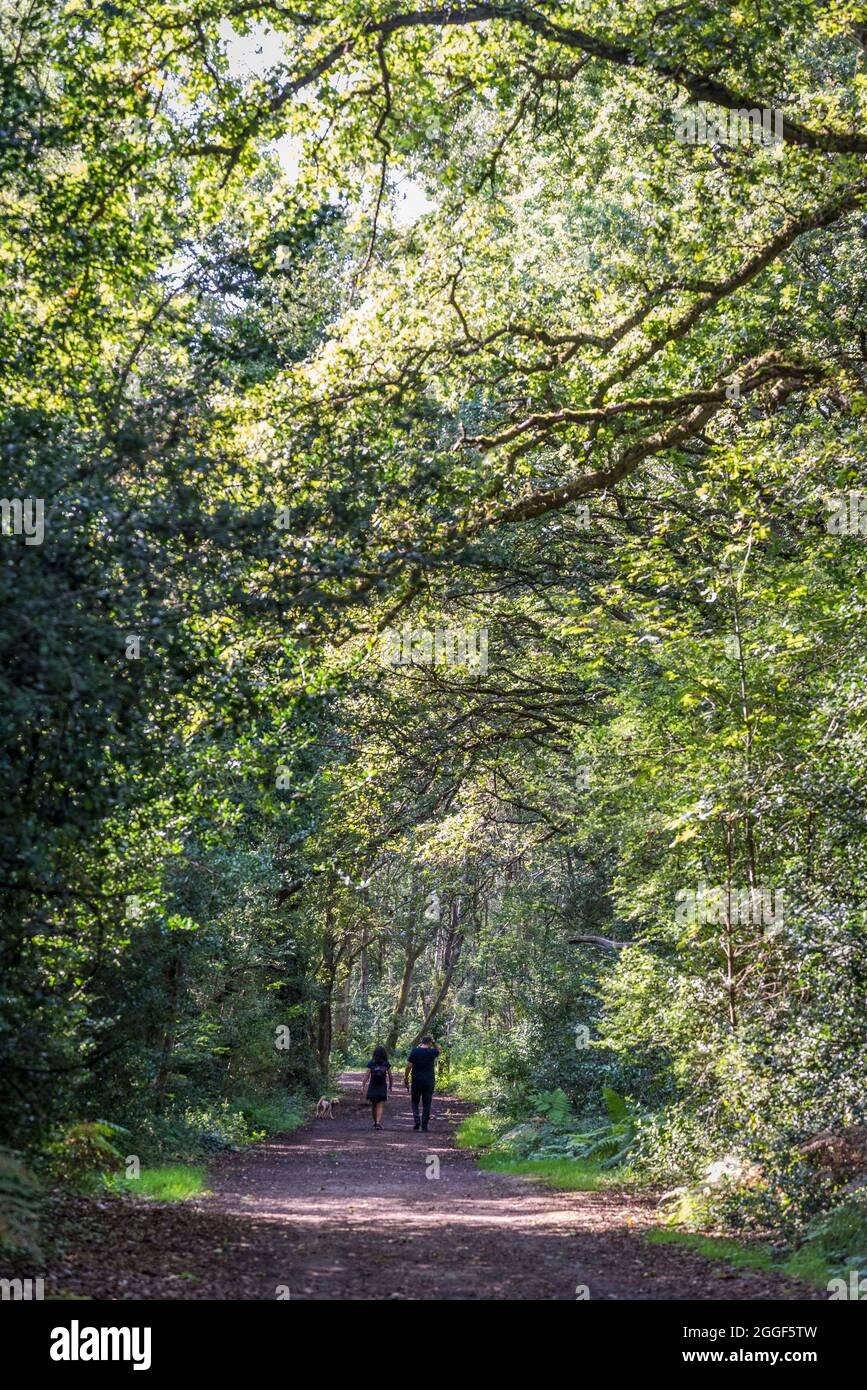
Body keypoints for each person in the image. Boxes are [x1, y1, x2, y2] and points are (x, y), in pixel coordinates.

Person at [404, 1034, 441, 1131]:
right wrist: (433, 1043)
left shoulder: (415, 1051)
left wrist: (406, 1077)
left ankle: (417, 1120)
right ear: (429, 1042)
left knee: (414, 1101)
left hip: (416, 1080)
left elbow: (408, 1066)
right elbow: (439, 1050)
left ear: (421, 1042)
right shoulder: (432, 1052)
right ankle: (424, 1125)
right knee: (427, 1103)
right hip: (429, 1081)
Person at [362, 1045, 393, 1130]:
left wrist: (363, 1085)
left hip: (373, 1086)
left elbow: (367, 1075)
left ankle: (375, 1122)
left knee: (374, 1105)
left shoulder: (371, 1063)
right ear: (384, 1054)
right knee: (380, 1105)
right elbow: (390, 1076)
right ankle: (378, 1123)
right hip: (382, 1086)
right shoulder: (386, 1063)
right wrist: (390, 1085)